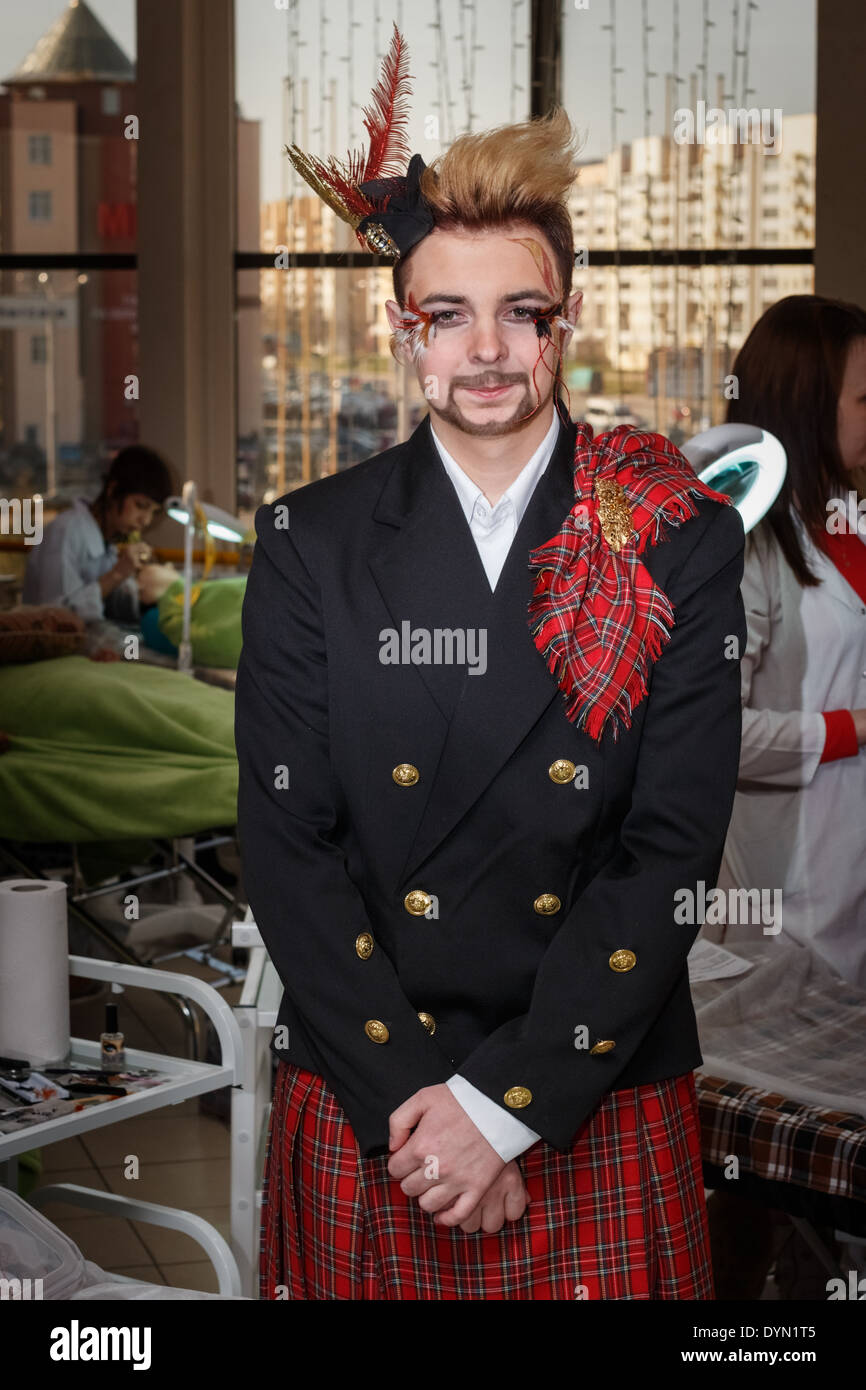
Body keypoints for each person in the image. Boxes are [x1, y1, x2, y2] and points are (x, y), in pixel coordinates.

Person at [235, 28, 746, 1301]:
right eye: (446, 316)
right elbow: (288, 849)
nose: (485, 354)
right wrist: (424, 1105)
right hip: (378, 1095)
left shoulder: (676, 530)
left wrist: (505, 1108)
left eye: (520, 315)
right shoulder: (312, 539)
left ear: (563, 320)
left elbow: (670, 847)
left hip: (584, 1074)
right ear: (403, 330)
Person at [714, 295, 866, 989]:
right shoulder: (742, 546)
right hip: (789, 900)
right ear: (807, 405)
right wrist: (853, 730)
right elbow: (715, 734)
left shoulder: (852, 521)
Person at [22, 445, 173, 628]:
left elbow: (107, 606)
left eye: (153, 511)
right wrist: (118, 573)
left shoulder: (107, 540)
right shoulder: (65, 532)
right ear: (112, 490)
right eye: (140, 505)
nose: (146, 520)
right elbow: (57, 616)